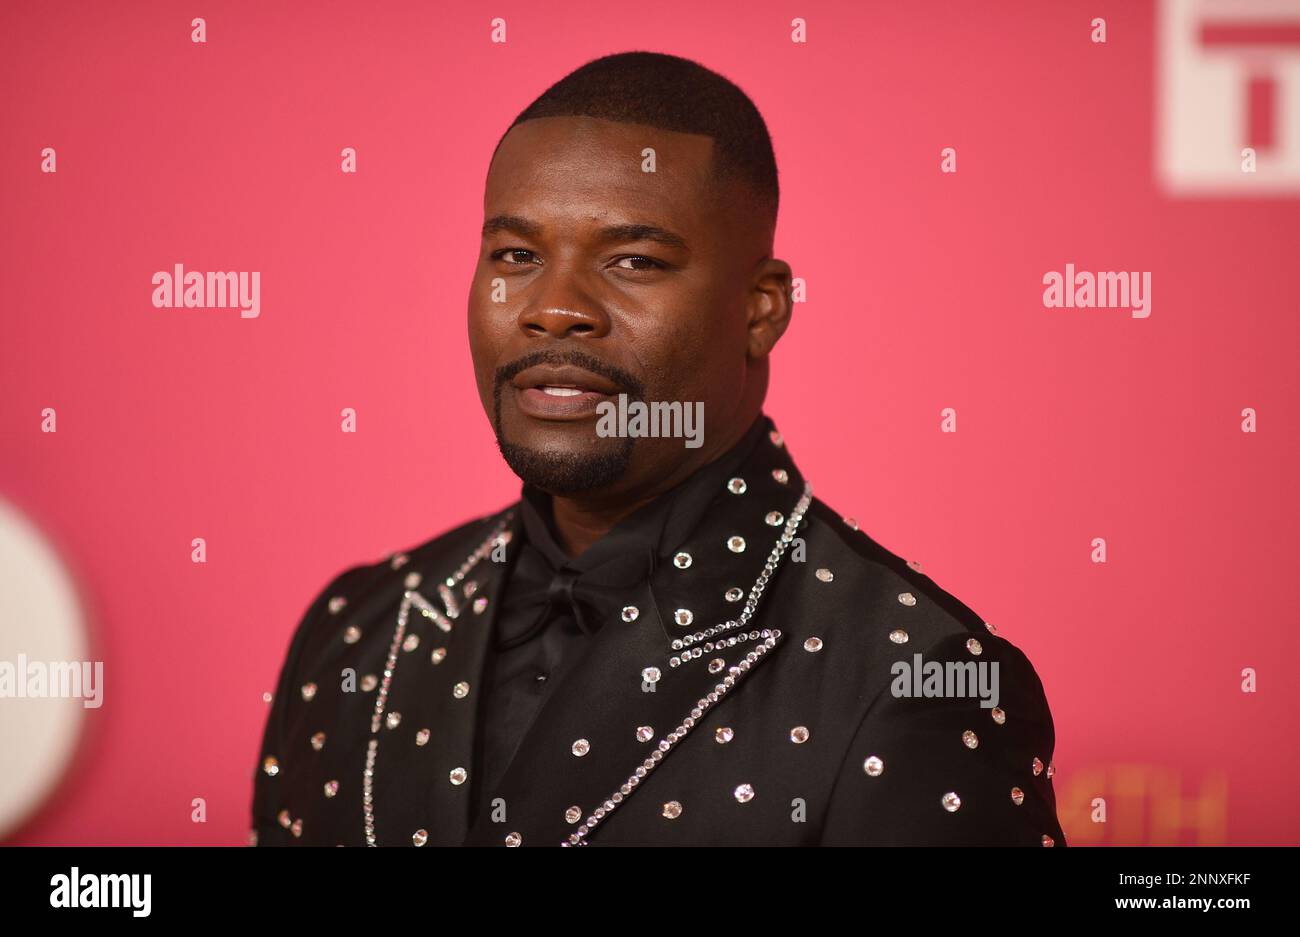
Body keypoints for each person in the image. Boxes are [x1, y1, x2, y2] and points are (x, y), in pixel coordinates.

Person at [252, 50, 1065, 847]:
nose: (555, 308)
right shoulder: (359, 629)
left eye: (633, 261)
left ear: (761, 309)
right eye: (518, 256)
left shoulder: (919, 678)